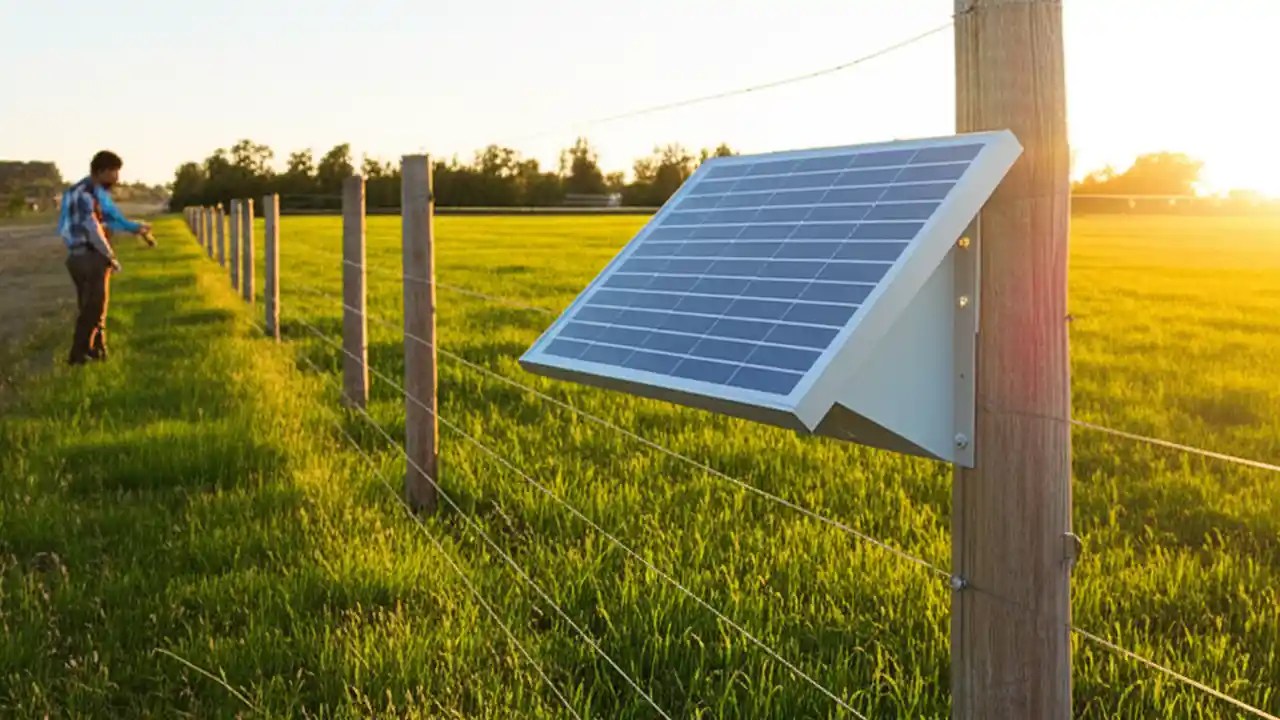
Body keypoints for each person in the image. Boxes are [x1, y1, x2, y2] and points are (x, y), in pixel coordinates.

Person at [56, 150, 152, 365]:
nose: (117, 178)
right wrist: (110, 256)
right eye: (114, 172)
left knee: (90, 306)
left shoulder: (76, 191)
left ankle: (97, 351)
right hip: (90, 257)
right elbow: (93, 228)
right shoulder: (87, 193)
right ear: (101, 171)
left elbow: (107, 219)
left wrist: (134, 227)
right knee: (94, 309)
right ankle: (78, 356)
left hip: (76, 257)